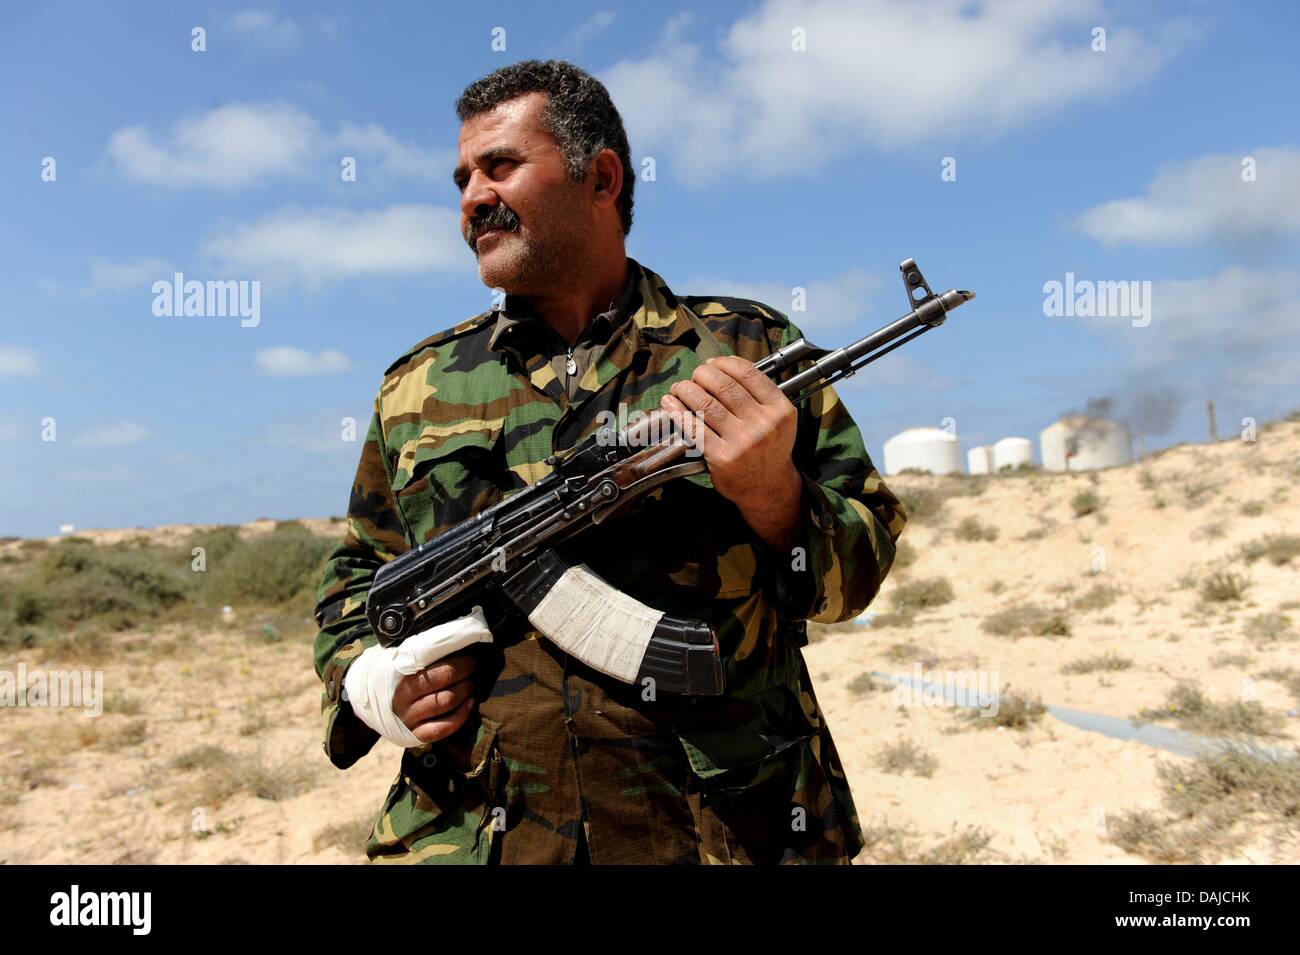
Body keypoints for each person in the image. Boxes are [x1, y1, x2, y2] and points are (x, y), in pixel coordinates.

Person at [312, 59, 907, 864]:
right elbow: (356, 585)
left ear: (601, 177)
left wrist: (776, 496)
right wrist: (374, 685)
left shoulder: (742, 348)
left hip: (722, 827)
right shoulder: (415, 389)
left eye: (501, 166)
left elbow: (857, 570)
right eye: (461, 178)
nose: (471, 198)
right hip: (484, 831)